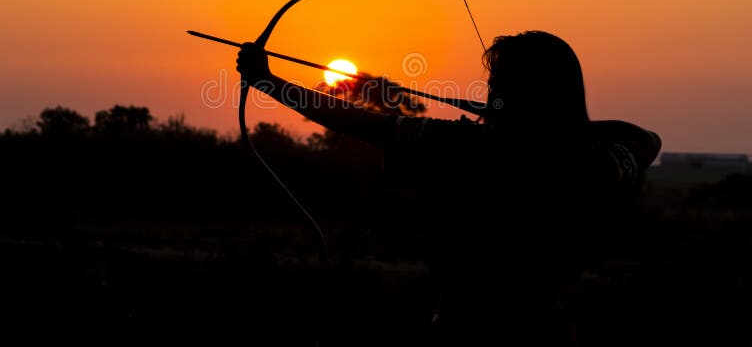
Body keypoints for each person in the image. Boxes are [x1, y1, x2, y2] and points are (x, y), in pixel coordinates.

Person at [236, 30, 661, 344]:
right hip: (547, 331)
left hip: (466, 335)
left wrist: (268, 82)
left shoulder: (470, 148)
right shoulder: (593, 162)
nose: (489, 90)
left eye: (498, 85)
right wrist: (554, 125)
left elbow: (362, 123)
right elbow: (646, 138)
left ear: (521, 93)